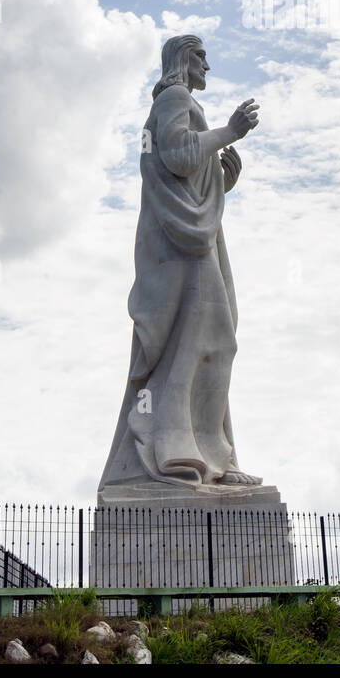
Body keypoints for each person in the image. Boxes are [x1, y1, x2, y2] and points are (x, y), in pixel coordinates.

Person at [98, 34, 261, 492]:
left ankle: (212, 454)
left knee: (211, 343)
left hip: (190, 241)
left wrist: (220, 179)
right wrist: (230, 132)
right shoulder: (173, 97)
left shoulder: (182, 103)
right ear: (183, 60)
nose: (208, 65)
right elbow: (177, 155)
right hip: (181, 247)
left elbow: (186, 170)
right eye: (201, 56)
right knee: (205, 344)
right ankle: (182, 450)